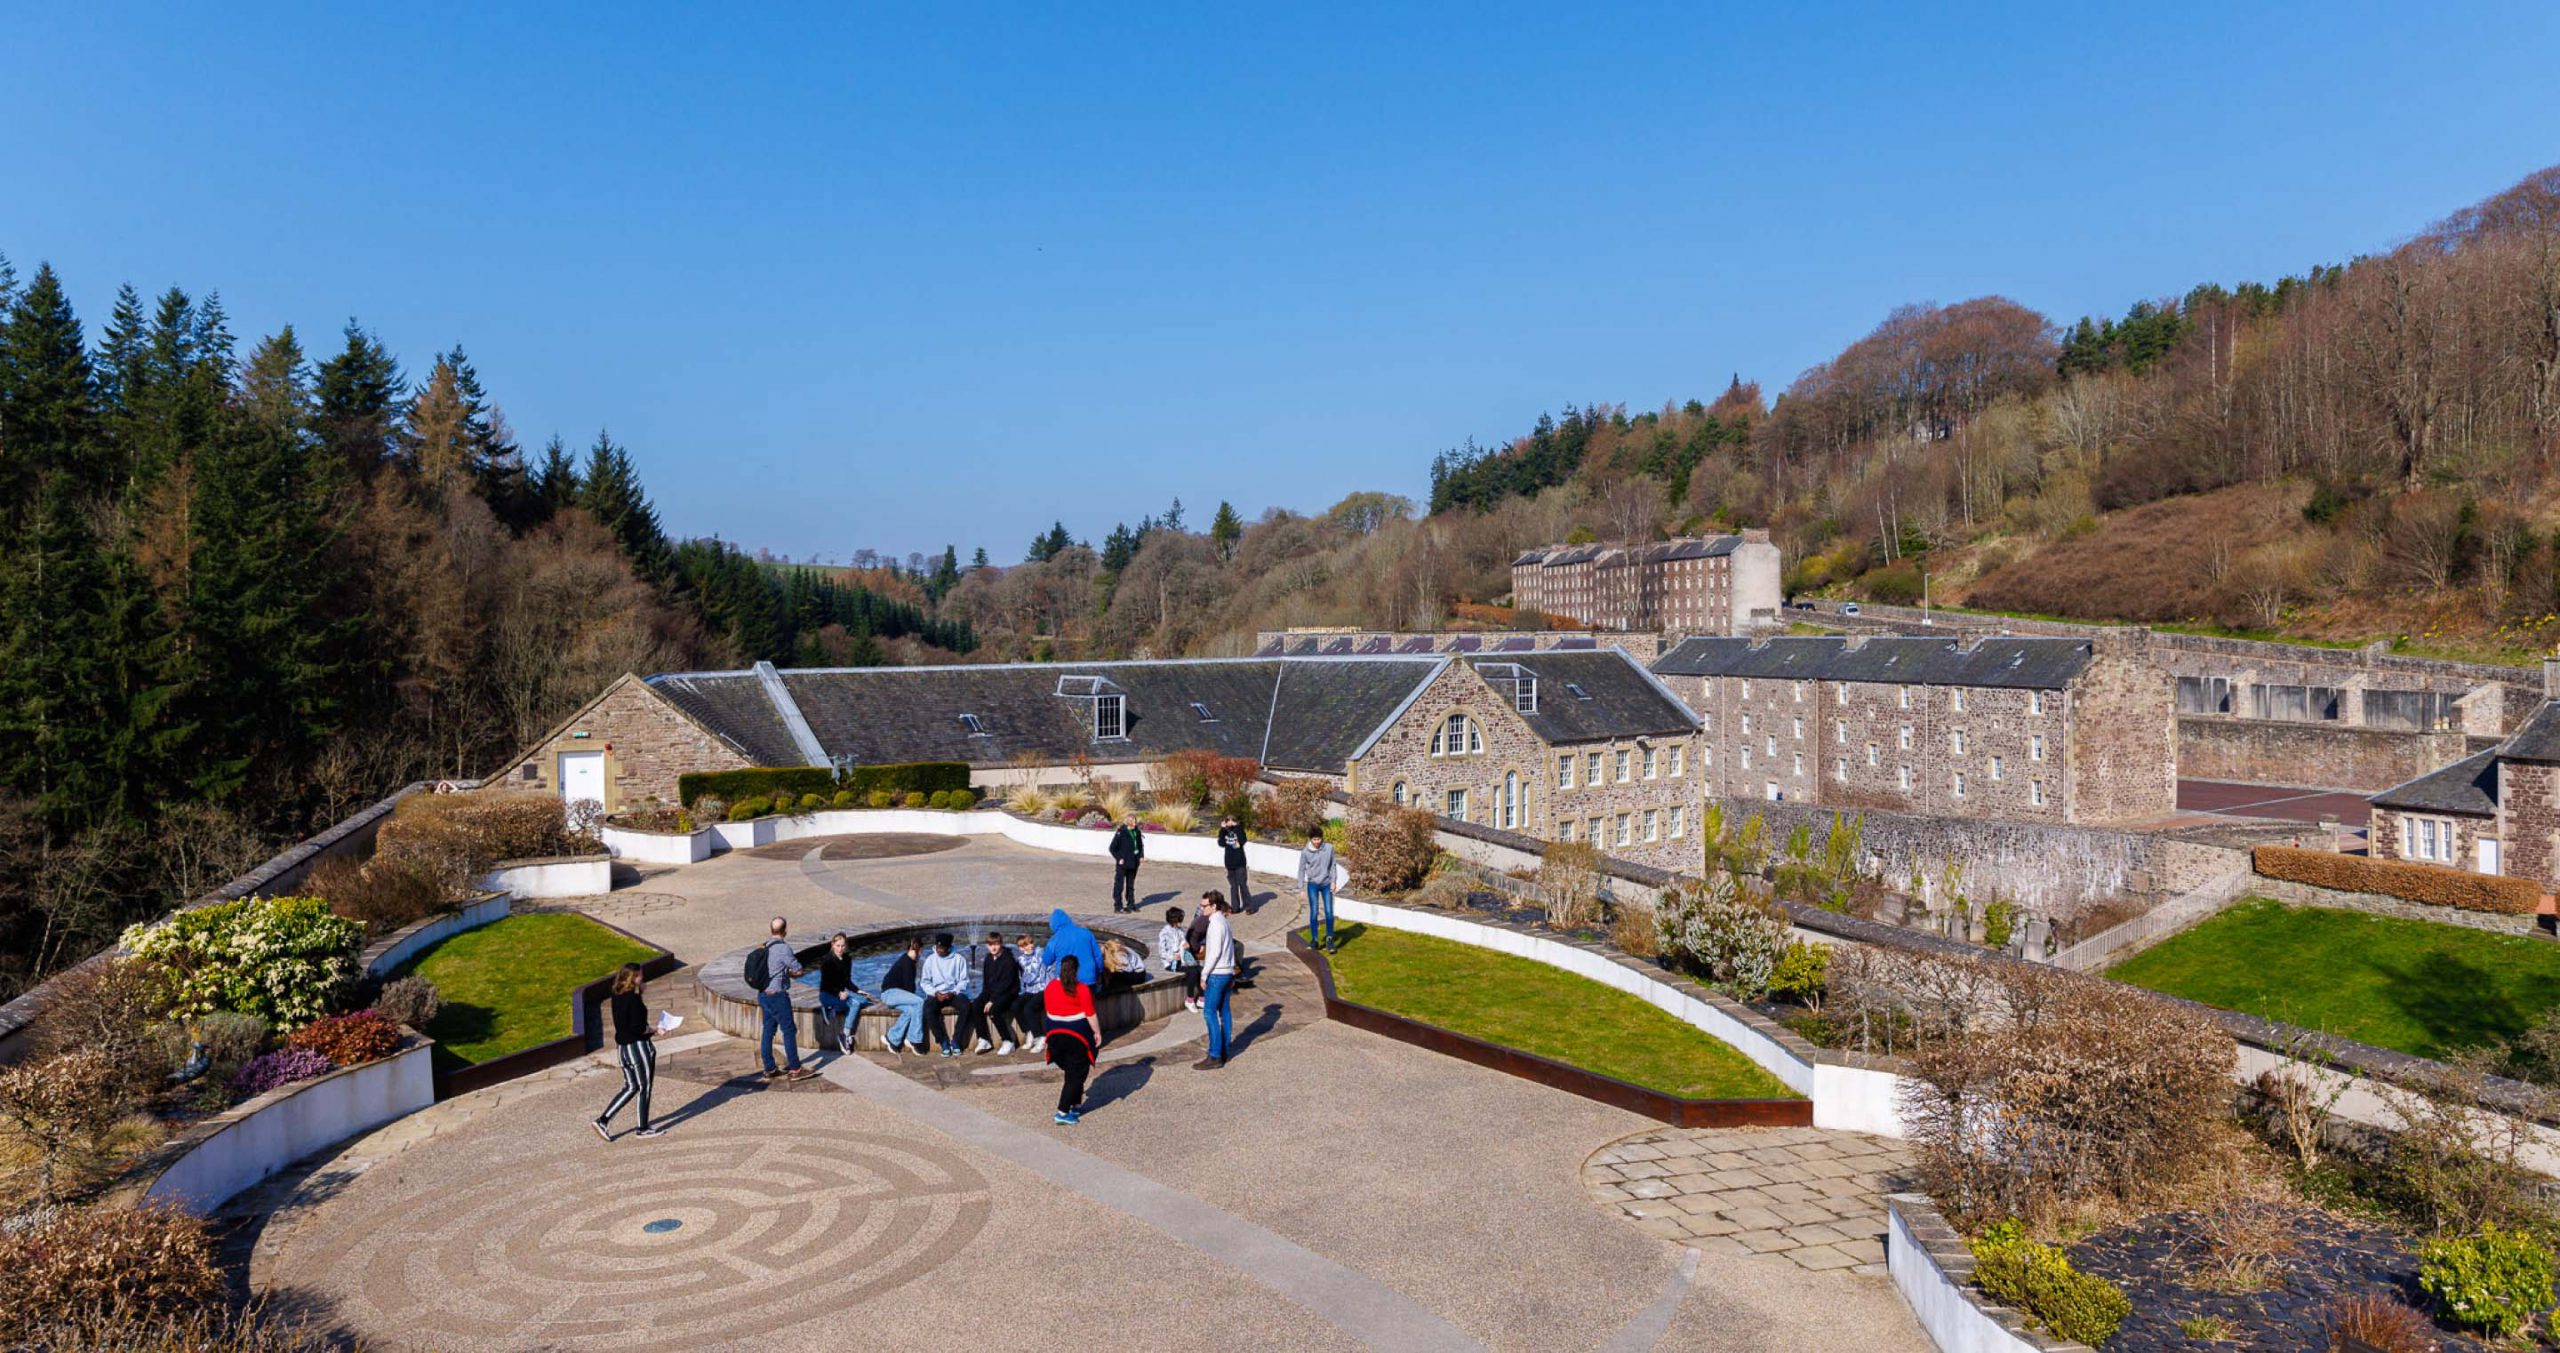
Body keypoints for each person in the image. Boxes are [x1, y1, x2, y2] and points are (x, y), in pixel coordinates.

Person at [594, 963, 662, 1139]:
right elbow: (638, 1027)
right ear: (633, 979)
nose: (643, 979)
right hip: (638, 1049)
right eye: (640, 976)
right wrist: (656, 1030)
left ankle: (603, 1120)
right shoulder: (633, 1000)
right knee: (644, 1087)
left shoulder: (617, 995)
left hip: (623, 1049)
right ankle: (643, 1127)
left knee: (630, 1086)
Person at [1044, 954, 1101, 1125]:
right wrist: (1097, 1032)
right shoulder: (1082, 989)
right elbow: (1090, 1014)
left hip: (1054, 1035)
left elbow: (1048, 1009)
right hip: (1075, 1035)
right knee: (1076, 1074)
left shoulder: (1051, 987)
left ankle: (1075, 1103)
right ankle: (1062, 1112)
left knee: (1071, 1070)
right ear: (1076, 970)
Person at [757, 917, 814, 1081]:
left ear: (771, 930)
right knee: (789, 1031)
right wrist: (789, 973)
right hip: (777, 996)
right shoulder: (783, 948)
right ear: (785, 931)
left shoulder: (763, 946)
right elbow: (798, 969)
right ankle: (795, 1068)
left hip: (763, 994)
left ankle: (769, 1068)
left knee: (768, 1031)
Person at [1196, 894, 1237, 1070]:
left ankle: (1214, 1055)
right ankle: (1224, 1049)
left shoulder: (1215, 924)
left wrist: (1204, 974)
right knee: (1224, 1011)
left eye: (1204, 906)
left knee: (1209, 1013)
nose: (1202, 908)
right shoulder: (1224, 922)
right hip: (1227, 972)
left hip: (1217, 973)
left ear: (1214, 906)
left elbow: (1214, 953)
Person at [919, 932, 976, 1057]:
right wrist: (935, 992)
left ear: (949, 948)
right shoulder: (930, 960)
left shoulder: (959, 959)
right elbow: (924, 982)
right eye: (938, 948)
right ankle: (943, 1041)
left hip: (954, 993)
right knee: (928, 1009)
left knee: (966, 1007)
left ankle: (956, 1040)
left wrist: (954, 992)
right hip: (936, 993)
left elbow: (964, 980)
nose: (939, 950)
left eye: (942, 949)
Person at [814, 932, 870, 1056]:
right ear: (832, 945)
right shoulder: (827, 961)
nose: (840, 949)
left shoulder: (847, 959)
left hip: (841, 993)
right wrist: (839, 992)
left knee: (865, 1000)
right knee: (855, 1004)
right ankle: (845, 1034)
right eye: (838, 945)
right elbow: (826, 983)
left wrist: (857, 990)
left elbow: (846, 981)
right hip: (828, 993)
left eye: (843, 946)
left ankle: (832, 1009)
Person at [1041, 909, 1104, 1006]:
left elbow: (1046, 960)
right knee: (1089, 1009)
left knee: (1072, 1010)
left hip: (1068, 980)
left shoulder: (1055, 939)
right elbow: (1098, 956)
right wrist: (1099, 973)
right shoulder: (1086, 932)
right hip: (1089, 977)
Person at [975, 932, 1023, 1055]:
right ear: (987, 946)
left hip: (1009, 993)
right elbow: (986, 982)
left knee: (994, 1010)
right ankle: (984, 1039)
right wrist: (984, 997)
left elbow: (1006, 985)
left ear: (1001, 944)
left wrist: (992, 1001)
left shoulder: (1008, 960)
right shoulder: (988, 959)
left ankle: (1008, 1041)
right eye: (991, 945)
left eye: (996, 944)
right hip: (993, 991)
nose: (993, 947)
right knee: (975, 1005)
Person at [878, 937, 927, 1054]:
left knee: (911, 1010)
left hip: (894, 995)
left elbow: (908, 989)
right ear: (918, 949)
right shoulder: (907, 962)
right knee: (920, 1002)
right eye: (920, 951)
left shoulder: (908, 961)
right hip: (890, 994)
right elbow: (909, 989)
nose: (921, 954)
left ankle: (892, 1038)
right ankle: (914, 1040)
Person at [1299, 832, 1339, 952]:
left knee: (1329, 912)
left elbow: (1333, 865)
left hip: (1326, 884)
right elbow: (1301, 870)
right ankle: (1314, 940)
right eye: (1314, 839)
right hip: (1313, 884)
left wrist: (1333, 881)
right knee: (1314, 912)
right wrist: (1301, 888)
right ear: (1310, 839)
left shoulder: (1329, 848)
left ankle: (1330, 940)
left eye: (1319, 839)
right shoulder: (1305, 852)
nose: (1317, 842)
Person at [1157, 906, 1195, 1012]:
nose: (1181, 923)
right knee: (1191, 972)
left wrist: (1185, 944)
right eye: (1179, 920)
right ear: (1174, 920)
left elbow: (1183, 940)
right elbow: (1161, 951)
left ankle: (1201, 998)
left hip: (1181, 959)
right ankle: (1190, 999)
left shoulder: (1179, 930)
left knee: (1197, 969)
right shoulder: (1164, 933)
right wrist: (1171, 956)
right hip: (1170, 963)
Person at [1108, 818, 1145, 912]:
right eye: (1134, 822)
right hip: (1123, 864)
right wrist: (1119, 858)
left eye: (1136, 821)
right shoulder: (1121, 832)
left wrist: (1141, 856)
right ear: (1129, 823)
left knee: (1131, 885)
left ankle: (1131, 904)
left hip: (1134, 863)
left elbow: (1140, 846)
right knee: (1119, 885)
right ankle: (1118, 906)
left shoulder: (1137, 832)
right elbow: (1112, 848)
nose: (1136, 823)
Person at [1217, 815, 1251, 912]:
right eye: (1228, 821)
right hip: (1229, 863)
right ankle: (1235, 907)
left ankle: (1248, 906)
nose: (1230, 823)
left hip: (1240, 863)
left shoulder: (1239, 830)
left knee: (1242, 884)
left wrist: (1237, 827)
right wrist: (1222, 829)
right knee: (1233, 886)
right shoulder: (1224, 832)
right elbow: (1221, 843)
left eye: (1233, 821)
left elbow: (1242, 841)